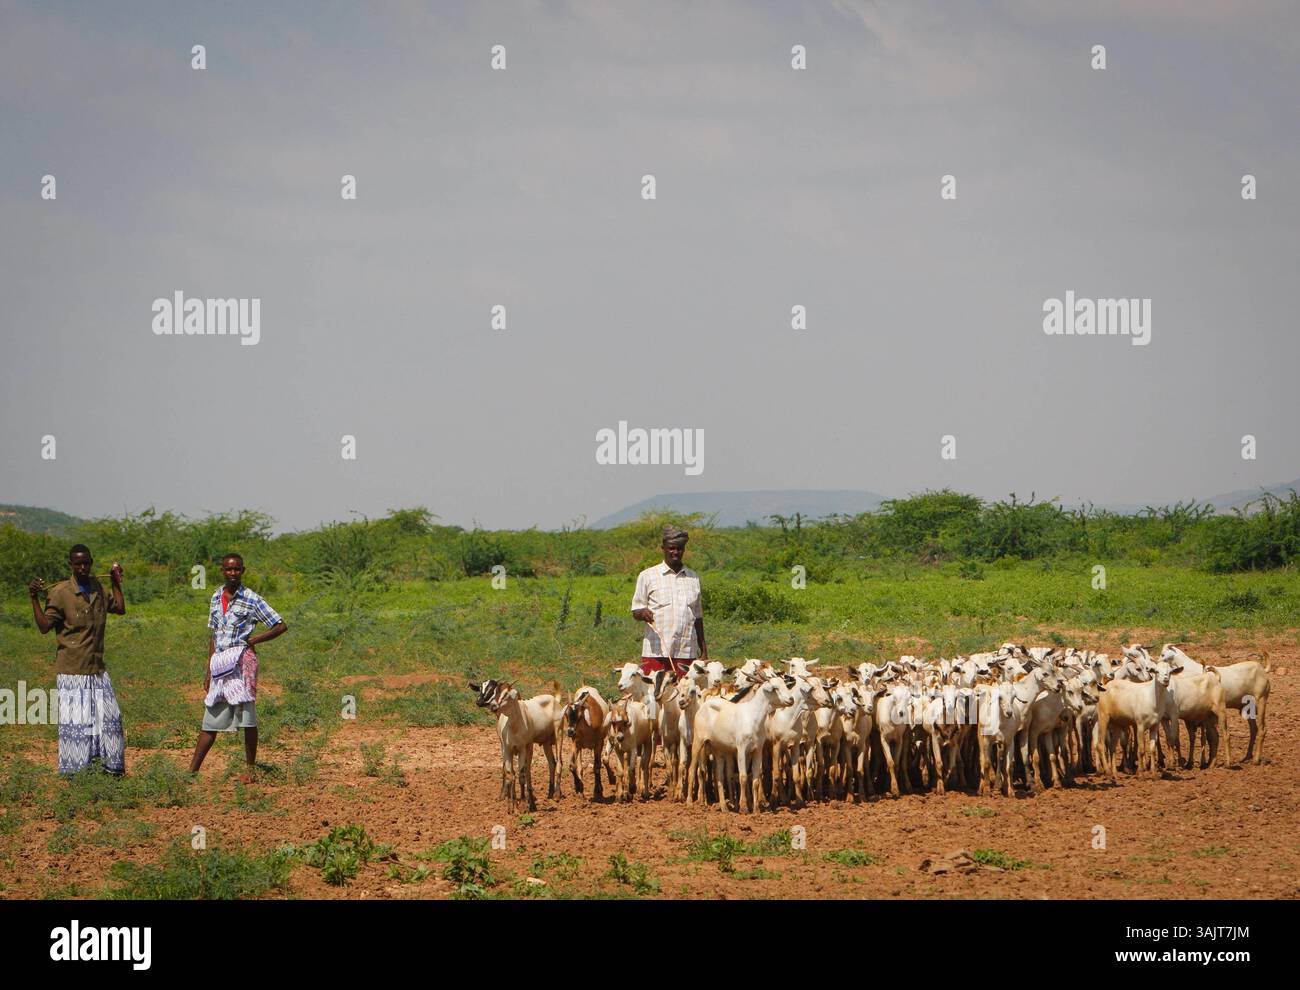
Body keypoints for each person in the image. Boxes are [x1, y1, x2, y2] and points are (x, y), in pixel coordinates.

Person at [28, 545, 127, 775]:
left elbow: (120, 608)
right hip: (72, 671)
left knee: (110, 720)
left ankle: (109, 769)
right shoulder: (61, 593)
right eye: (78, 563)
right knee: (78, 726)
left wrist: (115, 581)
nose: (83, 567)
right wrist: (33, 597)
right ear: (70, 564)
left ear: (91, 562)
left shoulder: (97, 587)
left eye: (86, 563)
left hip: (96, 669)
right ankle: (76, 774)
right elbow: (45, 626)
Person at [189, 553, 287, 781]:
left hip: (242, 663)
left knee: (247, 719)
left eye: (237, 569)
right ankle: (191, 773)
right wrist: (208, 671)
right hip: (220, 664)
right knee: (210, 717)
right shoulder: (215, 597)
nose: (232, 573)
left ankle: (250, 771)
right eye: (228, 569)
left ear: (243, 571)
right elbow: (214, 636)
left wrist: (254, 640)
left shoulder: (252, 599)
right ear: (222, 571)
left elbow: (280, 625)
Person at [630, 524, 708, 680]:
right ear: (663, 548)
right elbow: (636, 610)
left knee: (683, 697)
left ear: (684, 549)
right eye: (671, 548)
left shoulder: (693, 578)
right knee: (655, 696)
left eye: (679, 548)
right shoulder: (647, 576)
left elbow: (697, 617)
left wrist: (704, 650)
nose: (676, 552)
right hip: (656, 651)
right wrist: (642, 613)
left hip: (686, 651)